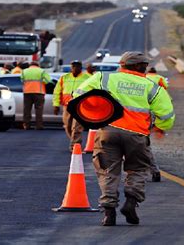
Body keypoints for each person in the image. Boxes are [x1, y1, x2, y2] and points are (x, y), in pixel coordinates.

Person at [74, 51, 175, 226]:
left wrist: (99, 113)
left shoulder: (104, 78)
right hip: (137, 135)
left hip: (108, 131)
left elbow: (79, 95)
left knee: (108, 171)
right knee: (137, 170)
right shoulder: (152, 87)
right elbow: (167, 117)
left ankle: (108, 212)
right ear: (140, 66)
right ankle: (131, 203)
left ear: (122, 65)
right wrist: (158, 127)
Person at [53, 60, 91, 151]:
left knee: (76, 127)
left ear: (81, 68)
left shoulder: (87, 77)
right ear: (71, 67)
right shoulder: (64, 78)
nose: (75, 68)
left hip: (80, 106)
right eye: (73, 66)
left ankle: (74, 146)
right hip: (67, 106)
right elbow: (57, 91)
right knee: (67, 126)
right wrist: (56, 105)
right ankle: (73, 141)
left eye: (77, 66)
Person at [21, 61, 51, 130]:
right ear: (38, 65)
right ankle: (39, 126)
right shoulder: (42, 71)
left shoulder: (24, 71)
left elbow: (22, 80)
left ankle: (26, 125)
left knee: (27, 109)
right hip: (39, 92)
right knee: (39, 110)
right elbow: (48, 81)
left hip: (27, 92)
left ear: (30, 65)